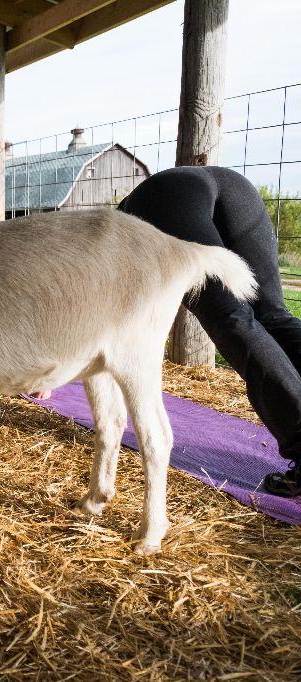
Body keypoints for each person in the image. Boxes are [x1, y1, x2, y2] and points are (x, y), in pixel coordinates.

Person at [117, 165, 301, 497]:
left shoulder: (119, 239)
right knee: (273, 314)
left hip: (165, 200)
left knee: (232, 318)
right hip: (232, 185)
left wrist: (50, 370)